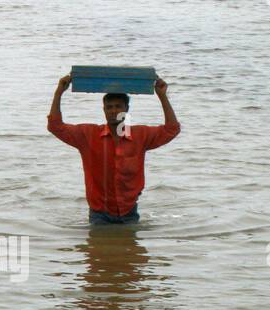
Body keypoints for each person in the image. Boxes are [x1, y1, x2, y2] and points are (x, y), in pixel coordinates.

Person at [48, 73, 180, 223]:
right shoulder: (88, 135)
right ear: (104, 110)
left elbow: (172, 129)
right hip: (99, 213)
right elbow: (55, 126)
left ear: (126, 108)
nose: (113, 111)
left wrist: (162, 96)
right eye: (109, 107)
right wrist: (59, 92)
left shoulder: (140, 135)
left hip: (129, 211)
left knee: (129, 246)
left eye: (118, 106)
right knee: (98, 247)